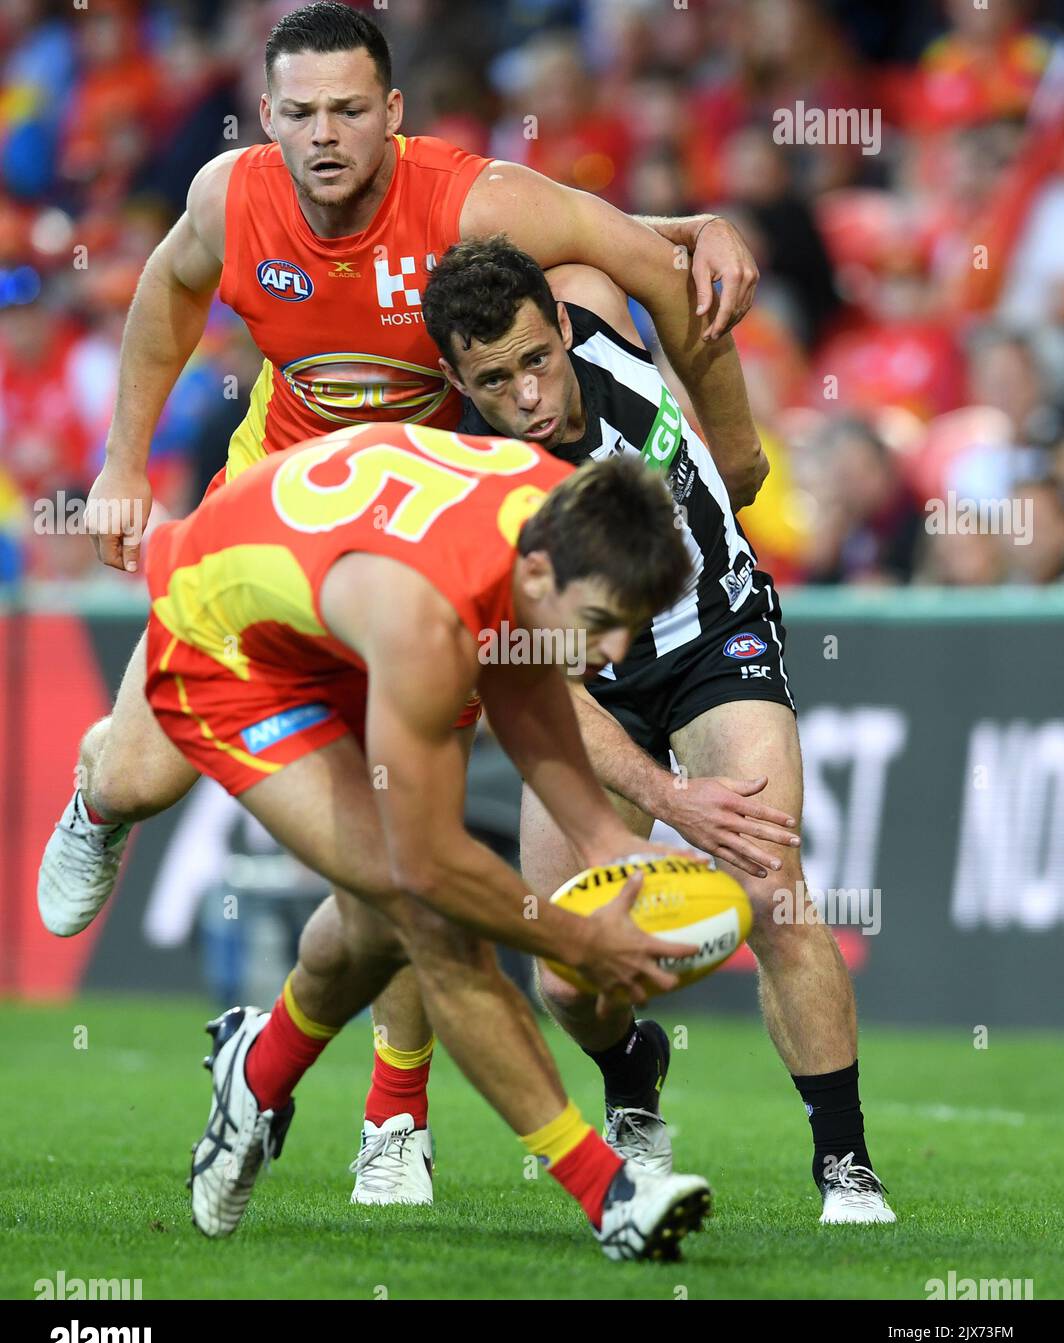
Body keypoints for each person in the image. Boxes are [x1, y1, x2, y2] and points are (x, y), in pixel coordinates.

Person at [39, 0, 762, 940]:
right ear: (267, 117)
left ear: (393, 111)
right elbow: (172, 283)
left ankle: (396, 1093)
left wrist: (736, 449)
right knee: (139, 780)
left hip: (419, 530)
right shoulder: (228, 198)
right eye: (300, 114)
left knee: (408, 845)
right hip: (270, 506)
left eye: (348, 110)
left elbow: (639, 259)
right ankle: (96, 799)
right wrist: (123, 465)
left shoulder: (470, 204)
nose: (324, 135)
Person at [341, 235, 889, 1226]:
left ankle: (844, 1167)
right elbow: (540, 691)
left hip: (714, 634)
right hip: (583, 682)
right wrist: (670, 797)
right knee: (569, 973)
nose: (528, 396)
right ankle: (628, 1066)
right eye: (493, 381)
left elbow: (662, 272)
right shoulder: (488, 499)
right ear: (460, 383)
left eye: (535, 360)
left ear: (559, 323)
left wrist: (736, 444)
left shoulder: (597, 297)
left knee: (772, 888)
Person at [144, 418, 709, 1260]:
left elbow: (520, 671)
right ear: (545, 571)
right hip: (229, 653)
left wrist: (605, 841)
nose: (618, 650)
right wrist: (581, 939)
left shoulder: (547, 517)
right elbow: (432, 867)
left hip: (334, 612)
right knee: (424, 914)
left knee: (378, 921)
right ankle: (612, 1194)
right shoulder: (425, 620)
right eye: (603, 620)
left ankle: (255, 1074)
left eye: (632, 625)